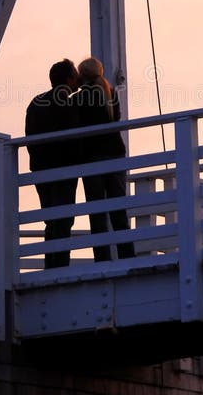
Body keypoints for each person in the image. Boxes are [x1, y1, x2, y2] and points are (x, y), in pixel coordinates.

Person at [74, 57, 135, 262]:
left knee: (97, 211)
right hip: (115, 152)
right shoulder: (111, 93)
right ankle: (127, 255)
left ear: (82, 75)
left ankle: (102, 258)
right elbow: (114, 118)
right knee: (118, 209)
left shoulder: (80, 97)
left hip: (93, 156)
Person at [25, 59, 80, 269]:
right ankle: (60, 266)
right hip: (63, 168)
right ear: (68, 79)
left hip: (40, 167)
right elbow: (74, 134)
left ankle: (51, 264)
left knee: (50, 219)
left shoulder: (36, 102)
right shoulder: (67, 102)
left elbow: (30, 136)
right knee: (64, 219)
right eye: (75, 75)